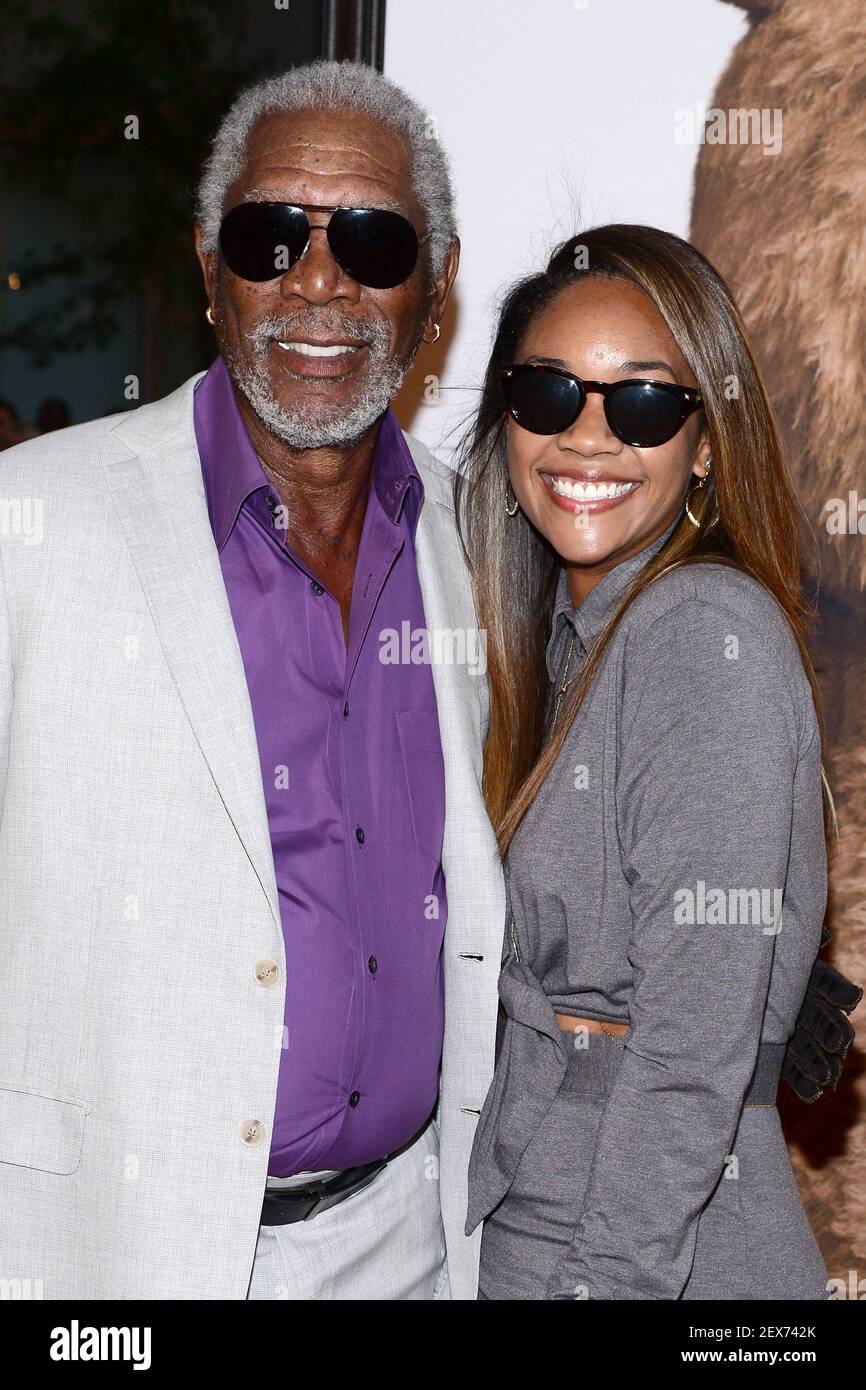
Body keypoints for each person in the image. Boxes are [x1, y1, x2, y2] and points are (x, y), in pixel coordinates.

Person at [0, 60, 505, 1300]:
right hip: (107, 1251)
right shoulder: (33, 520)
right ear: (207, 262)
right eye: (270, 235)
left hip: (408, 1240)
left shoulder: (482, 543)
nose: (318, 283)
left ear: (434, 282)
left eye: (372, 243)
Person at [457, 224, 857, 1300]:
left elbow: (683, 1059)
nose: (584, 438)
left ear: (707, 440)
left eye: (640, 403)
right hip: (550, 1229)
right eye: (547, 394)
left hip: (639, 1261)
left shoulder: (694, 632)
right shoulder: (561, 642)